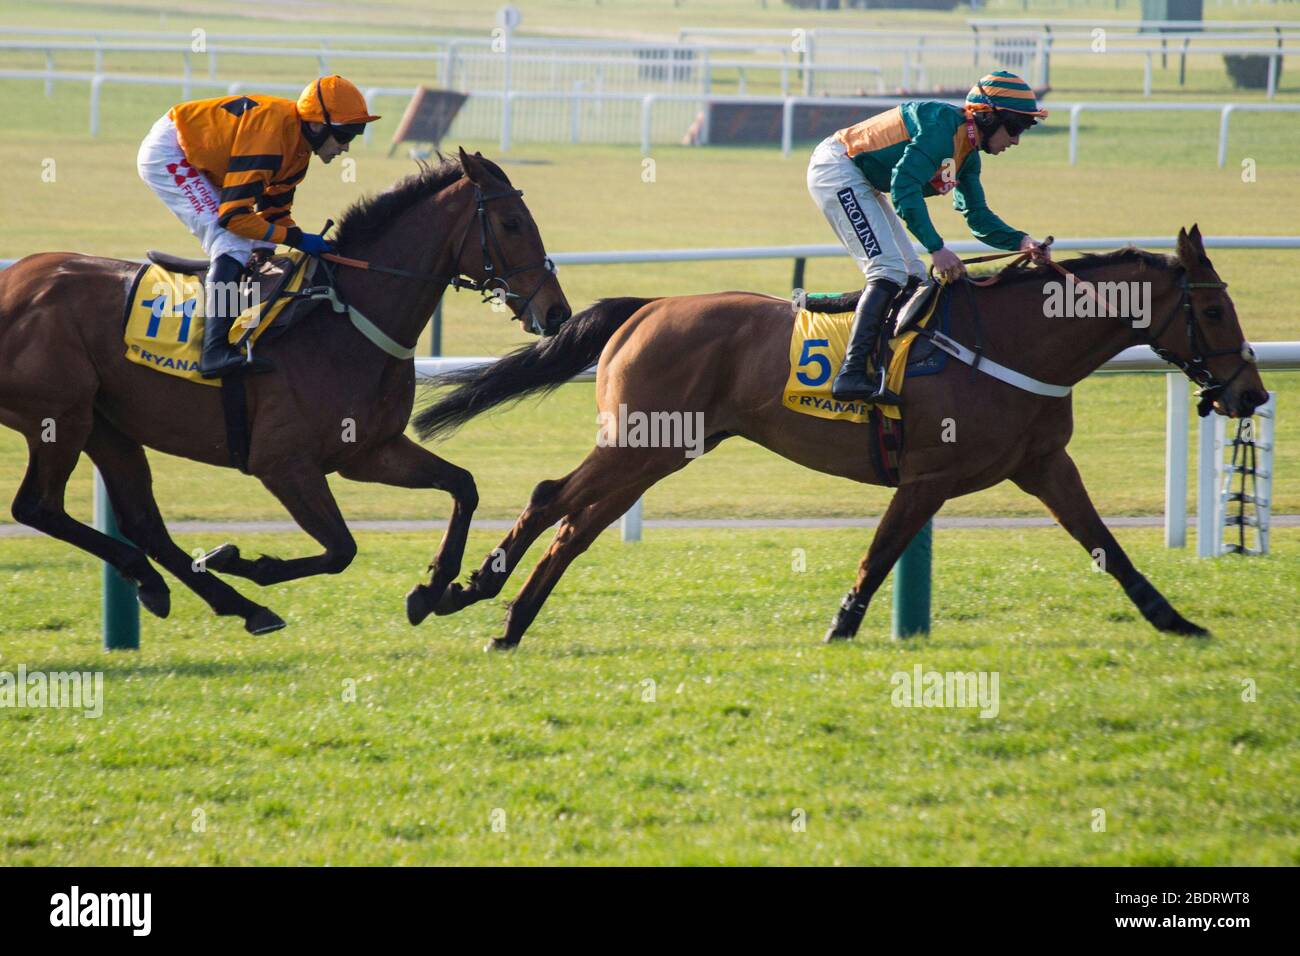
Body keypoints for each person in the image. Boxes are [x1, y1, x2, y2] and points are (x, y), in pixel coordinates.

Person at [806, 70, 1051, 404]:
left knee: (915, 278)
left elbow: (976, 216)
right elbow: (905, 191)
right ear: (989, 117)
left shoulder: (967, 156)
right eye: (1016, 127)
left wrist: (1023, 242)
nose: (1016, 140)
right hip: (838, 168)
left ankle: (882, 359)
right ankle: (850, 374)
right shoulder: (940, 129)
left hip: (862, 179)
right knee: (888, 270)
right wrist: (936, 248)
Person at [137, 75, 380, 377]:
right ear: (317, 125)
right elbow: (234, 217)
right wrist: (297, 239)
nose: (346, 148)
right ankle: (214, 352)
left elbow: (274, 213)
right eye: (346, 135)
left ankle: (247, 321)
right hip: (171, 153)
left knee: (263, 244)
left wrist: (300, 239)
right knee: (232, 241)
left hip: (198, 155)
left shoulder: (299, 150)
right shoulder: (272, 137)